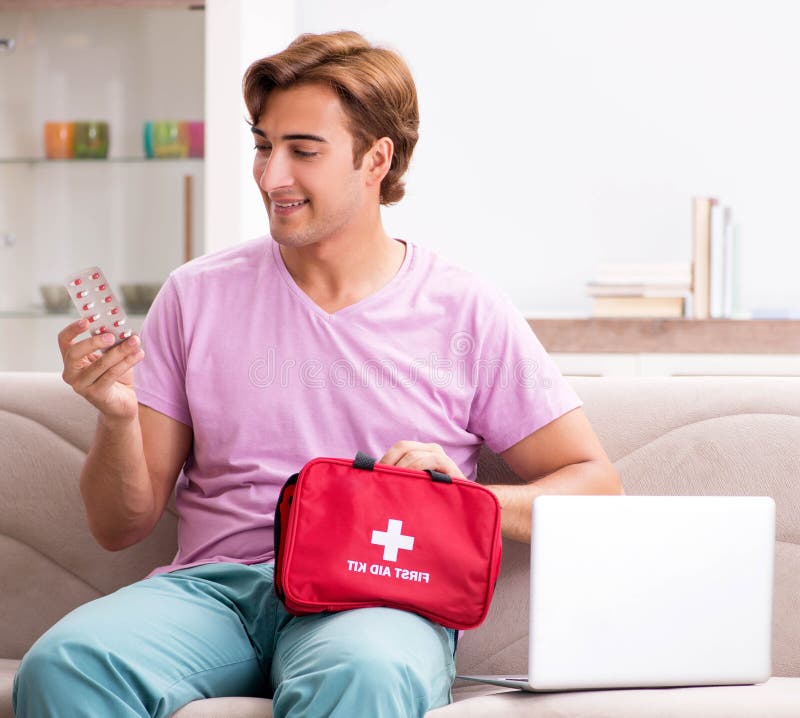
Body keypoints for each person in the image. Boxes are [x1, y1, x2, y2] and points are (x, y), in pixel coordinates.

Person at [13, 30, 622, 718]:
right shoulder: (196, 295)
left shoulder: (466, 311)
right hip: (218, 592)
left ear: (376, 159)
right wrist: (118, 417)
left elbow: (596, 488)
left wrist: (457, 500)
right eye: (263, 146)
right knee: (67, 667)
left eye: (303, 151)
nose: (272, 176)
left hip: (376, 597)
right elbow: (120, 525)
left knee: (363, 674)